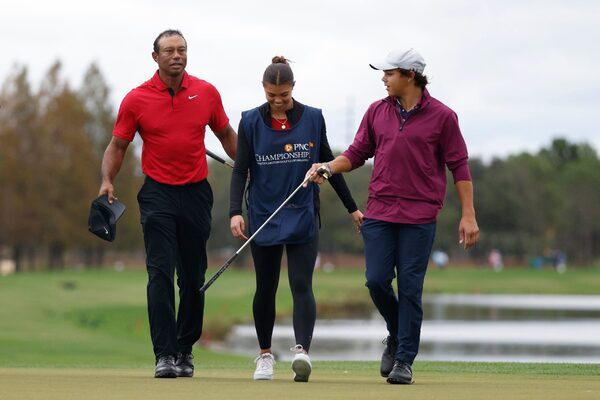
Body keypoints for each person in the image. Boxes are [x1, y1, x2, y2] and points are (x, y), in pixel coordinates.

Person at [307, 48, 480, 384]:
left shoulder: (443, 117)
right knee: (375, 280)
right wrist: (328, 166)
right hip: (381, 212)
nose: (383, 79)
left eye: (389, 73)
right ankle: (398, 331)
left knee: (411, 288)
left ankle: (404, 360)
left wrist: (468, 215)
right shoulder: (376, 111)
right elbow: (357, 153)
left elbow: (459, 166)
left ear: (410, 75)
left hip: (419, 216)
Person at [98, 29, 237, 378]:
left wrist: (251, 168)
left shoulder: (206, 93)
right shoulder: (136, 99)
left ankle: (185, 350)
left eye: (182, 50)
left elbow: (226, 136)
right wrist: (107, 180)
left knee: (192, 277)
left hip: (195, 193)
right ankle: (164, 354)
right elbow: (117, 146)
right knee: (159, 273)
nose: (177, 55)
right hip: (157, 193)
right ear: (155, 57)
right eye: (170, 51)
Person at [229, 56, 363, 382]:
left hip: (303, 212)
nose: (277, 101)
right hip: (263, 215)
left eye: (284, 95)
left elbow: (330, 165)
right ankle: (264, 356)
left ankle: (302, 352)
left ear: (293, 88)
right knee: (266, 287)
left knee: (302, 284)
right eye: (271, 95)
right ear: (263, 89)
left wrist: (353, 209)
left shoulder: (314, 119)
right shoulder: (249, 122)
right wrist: (235, 211)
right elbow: (240, 170)